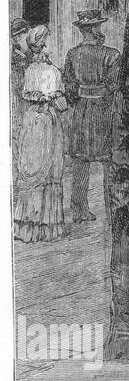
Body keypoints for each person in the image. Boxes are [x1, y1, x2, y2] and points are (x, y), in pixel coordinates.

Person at [63, 10, 120, 223]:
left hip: (80, 111)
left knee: (80, 162)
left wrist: (79, 97)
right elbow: (113, 87)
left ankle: (79, 211)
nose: (99, 31)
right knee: (109, 162)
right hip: (103, 113)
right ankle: (113, 209)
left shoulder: (72, 54)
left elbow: (69, 86)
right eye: (98, 27)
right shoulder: (112, 55)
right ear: (95, 29)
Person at [14, 25, 69, 243]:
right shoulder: (52, 72)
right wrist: (58, 101)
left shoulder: (29, 71)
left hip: (31, 122)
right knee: (49, 170)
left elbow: (28, 96)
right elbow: (61, 103)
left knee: (32, 167)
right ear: (44, 47)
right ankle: (47, 227)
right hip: (47, 122)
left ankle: (27, 226)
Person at [10, 18, 32, 167]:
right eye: (18, 36)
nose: (21, 38)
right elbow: (17, 83)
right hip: (20, 98)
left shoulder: (29, 52)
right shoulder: (15, 55)